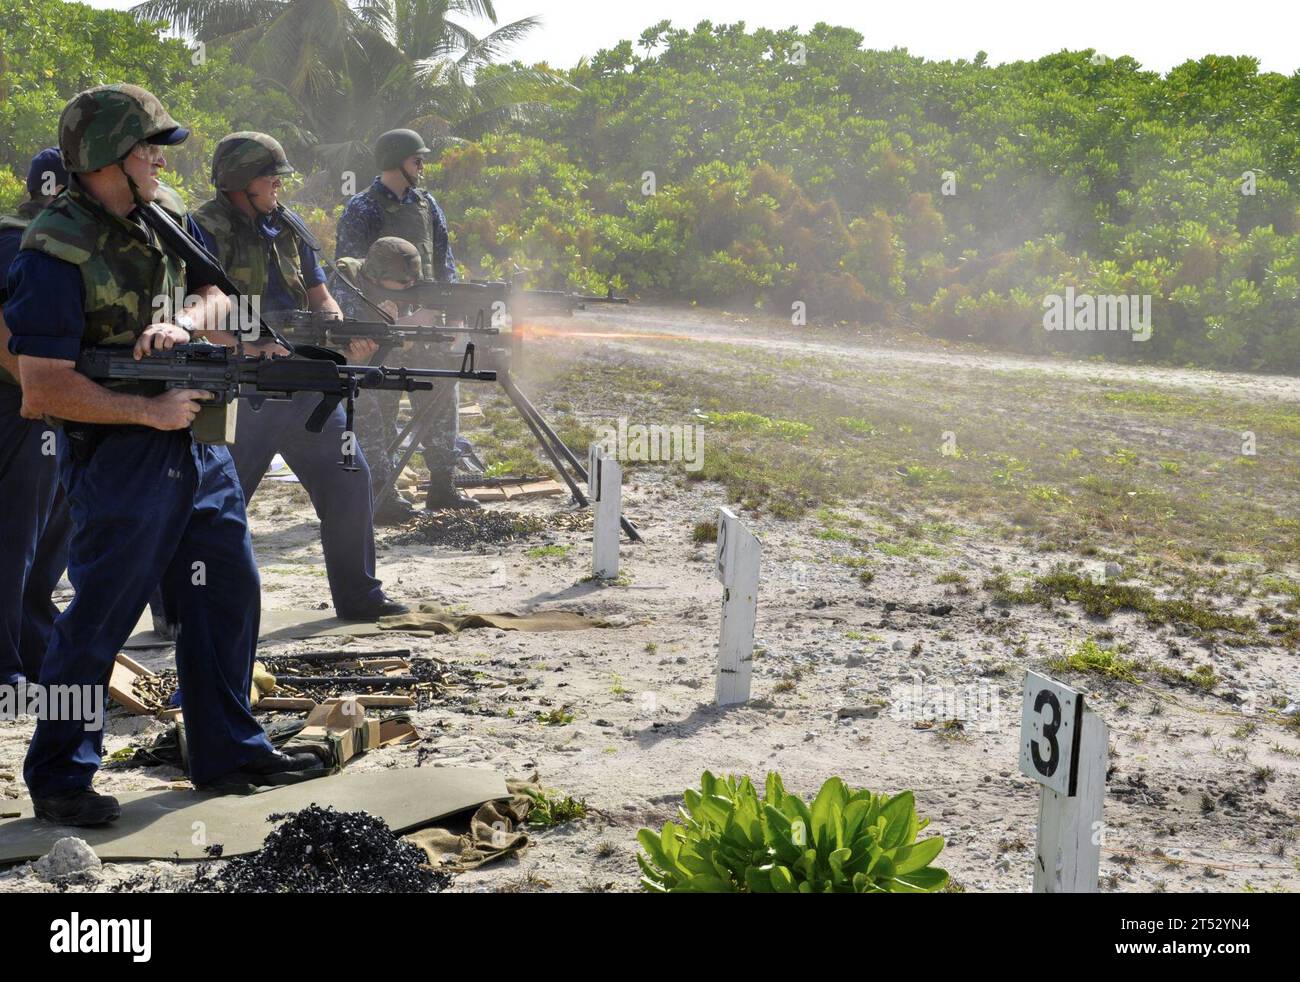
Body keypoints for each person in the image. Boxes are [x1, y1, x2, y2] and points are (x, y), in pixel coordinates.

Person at [6, 85, 318, 826]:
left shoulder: (165, 213)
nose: (158, 158)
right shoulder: (53, 250)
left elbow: (219, 297)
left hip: (197, 440)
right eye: (148, 146)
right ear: (111, 155)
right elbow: (41, 389)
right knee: (101, 615)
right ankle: (59, 774)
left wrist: (180, 324)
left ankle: (227, 748)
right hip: (121, 458)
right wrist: (144, 410)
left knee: (228, 589)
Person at [192, 132, 408, 619]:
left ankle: (359, 597)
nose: (278, 187)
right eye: (270, 178)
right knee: (217, 503)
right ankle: (180, 607)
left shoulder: (287, 227)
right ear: (238, 182)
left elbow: (319, 293)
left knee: (349, 476)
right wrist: (248, 346)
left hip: (302, 379)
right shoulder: (199, 229)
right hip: (240, 388)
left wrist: (338, 330)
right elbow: (194, 312)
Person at [335, 129, 474, 513]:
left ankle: (443, 485)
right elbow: (348, 276)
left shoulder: (428, 206)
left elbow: (445, 265)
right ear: (397, 161)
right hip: (382, 331)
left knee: (441, 399)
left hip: (428, 325)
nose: (423, 166)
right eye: (417, 159)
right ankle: (380, 493)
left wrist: (453, 314)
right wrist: (376, 323)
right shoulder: (361, 208)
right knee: (378, 411)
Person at [0, 149, 73, 688]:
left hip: (60, 402)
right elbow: (5, 335)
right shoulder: (14, 239)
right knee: (16, 536)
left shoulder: (68, 240)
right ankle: (5, 667)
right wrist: (43, 393)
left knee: (51, 539)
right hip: (21, 404)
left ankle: (34, 646)